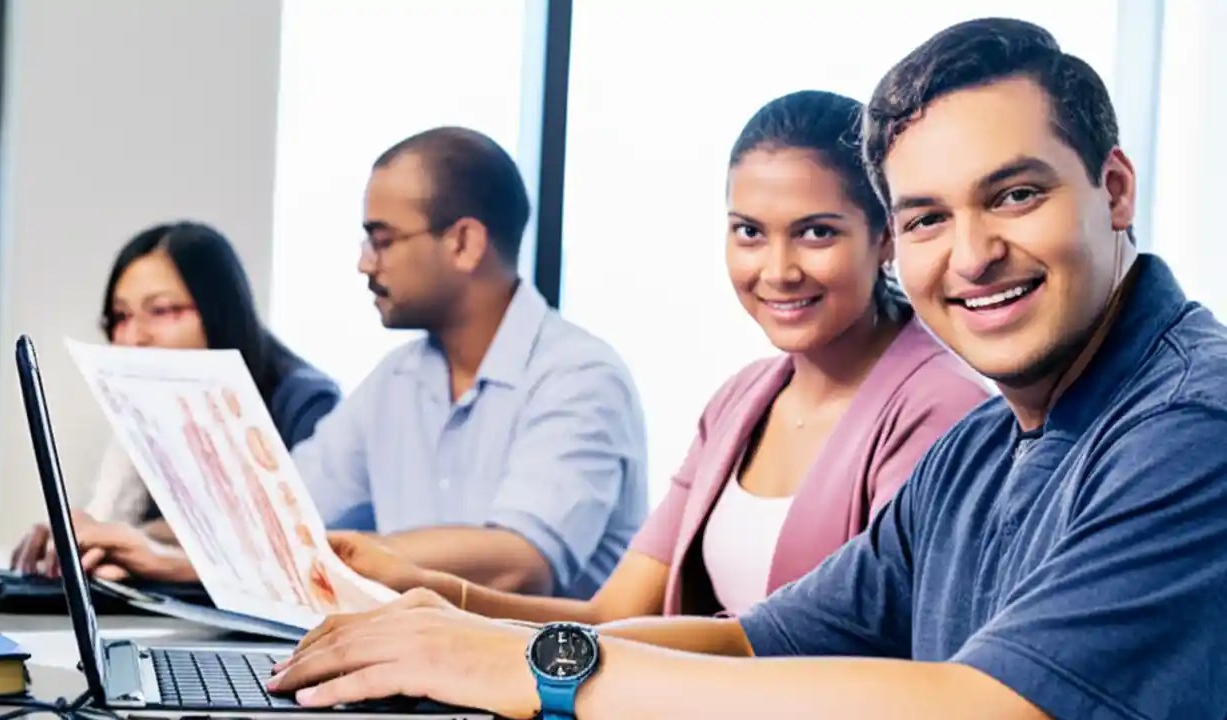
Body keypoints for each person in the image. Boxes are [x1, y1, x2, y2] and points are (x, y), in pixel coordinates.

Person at [268, 18, 1227, 719]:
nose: (970, 255)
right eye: (929, 217)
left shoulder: (1192, 424)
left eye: (1014, 196)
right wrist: (471, 641)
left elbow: (987, 704)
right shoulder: (984, 444)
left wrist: (535, 670)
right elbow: (749, 638)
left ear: (1112, 190)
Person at [322, 90, 989, 624]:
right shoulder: (741, 401)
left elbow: (875, 645)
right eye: (749, 233)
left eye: (817, 233)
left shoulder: (941, 407)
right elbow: (613, 616)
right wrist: (429, 596)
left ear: (885, 239)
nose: (778, 270)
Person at [61, 128, 650, 600]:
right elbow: (277, 513)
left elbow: (518, 565)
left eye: (382, 239)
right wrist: (127, 538)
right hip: (414, 675)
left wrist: (184, 564)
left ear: (465, 243)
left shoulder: (578, 377)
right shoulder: (396, 381)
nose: (364, 264)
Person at [12, 222, 340, 577]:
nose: (133, 337)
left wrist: (142, 546)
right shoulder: (153, 409)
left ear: (220, 311)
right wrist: (91, 535)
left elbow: (292, 546)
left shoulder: (307, 405)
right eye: (121, 316)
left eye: (162, 310)